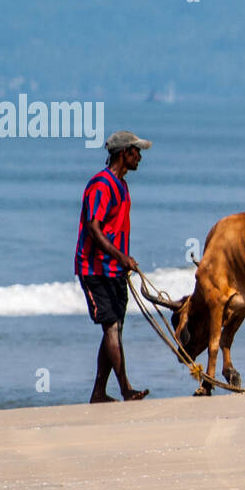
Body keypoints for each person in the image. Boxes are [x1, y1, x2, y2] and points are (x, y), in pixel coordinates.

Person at [76, 130, 152, 403]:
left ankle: (98, 393)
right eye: (137, 152)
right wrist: (121, 257)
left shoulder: (122, 186)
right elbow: (94, 229)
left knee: (115, 329)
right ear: (124, 154)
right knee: (111, 328)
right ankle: (125, 389)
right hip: (95, 270)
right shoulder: (101, 185)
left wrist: (122, 262)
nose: (140, 157)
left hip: (114, 270)